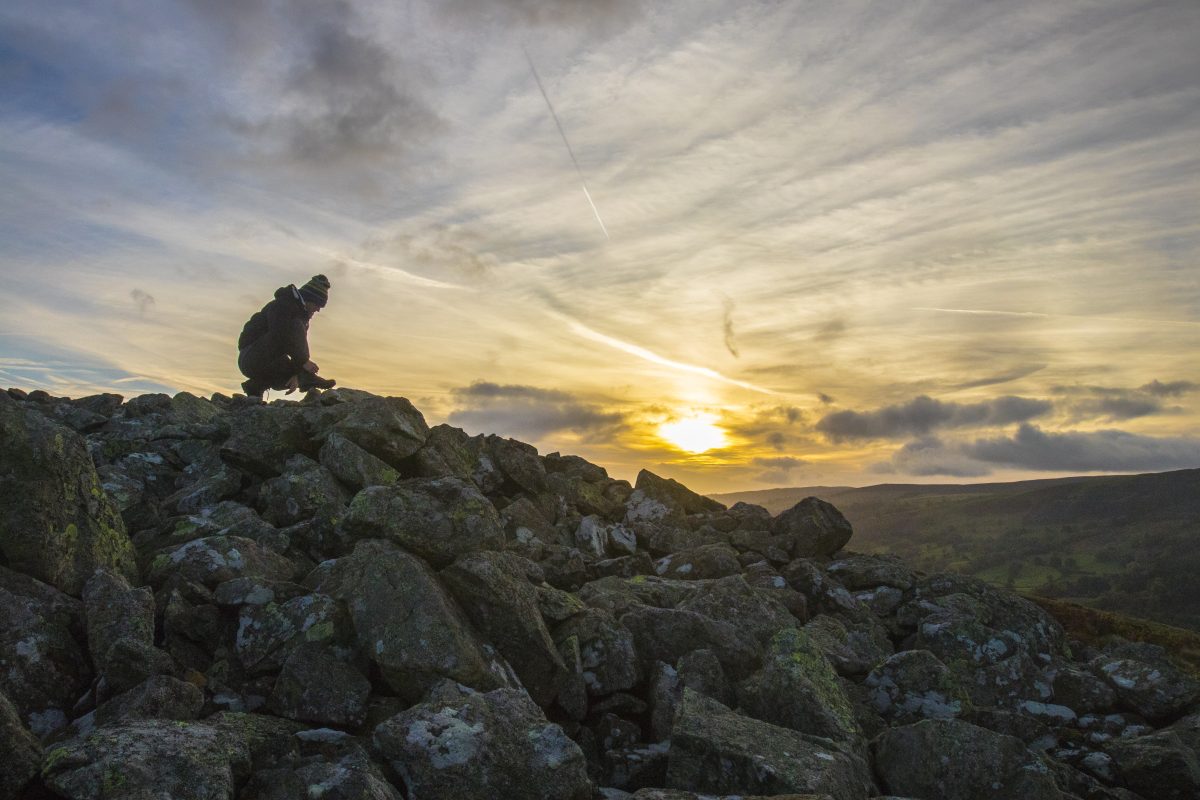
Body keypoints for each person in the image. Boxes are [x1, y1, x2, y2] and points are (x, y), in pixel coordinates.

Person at [237, 274, 337, 399]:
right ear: (309, 299)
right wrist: (303, 362)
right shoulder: (283, 305)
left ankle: (255, 386)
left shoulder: (300, 316)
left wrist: (295, 373)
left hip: (266, 358)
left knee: (290, 378)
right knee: (295, 326)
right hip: (250, 356)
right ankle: (304, 376)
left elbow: (290, 344)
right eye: (318, 305)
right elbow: (280, 335)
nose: (318, 310)